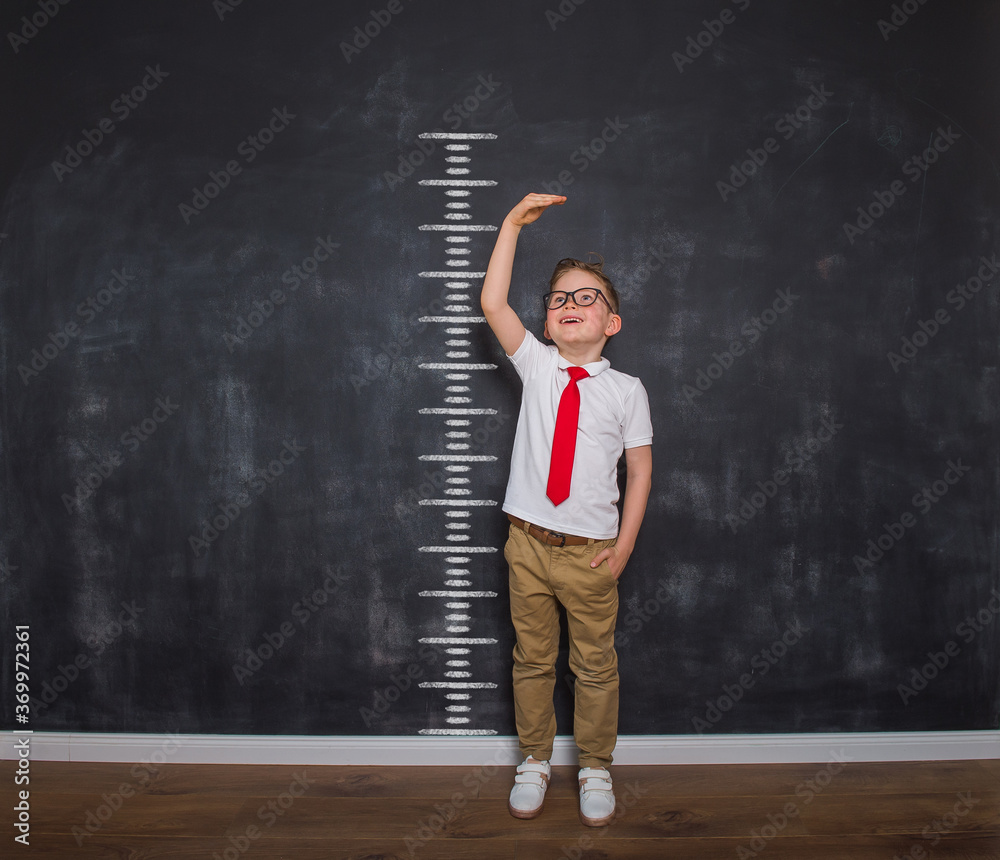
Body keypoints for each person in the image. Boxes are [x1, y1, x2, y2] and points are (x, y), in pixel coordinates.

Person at [480, 192, 653, 827]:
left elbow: (639, 469)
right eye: (560, 298)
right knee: (531, 658)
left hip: (591, 553)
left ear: (612, 323)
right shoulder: (537, 366)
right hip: (527, 543)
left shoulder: (626, 391)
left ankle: (596, 766)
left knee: (593, 664)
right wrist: (510, 226)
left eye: (587, 298)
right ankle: (533, 760)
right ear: (547, 322)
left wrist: (625, 544)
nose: (571, 305)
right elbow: (493, 303)